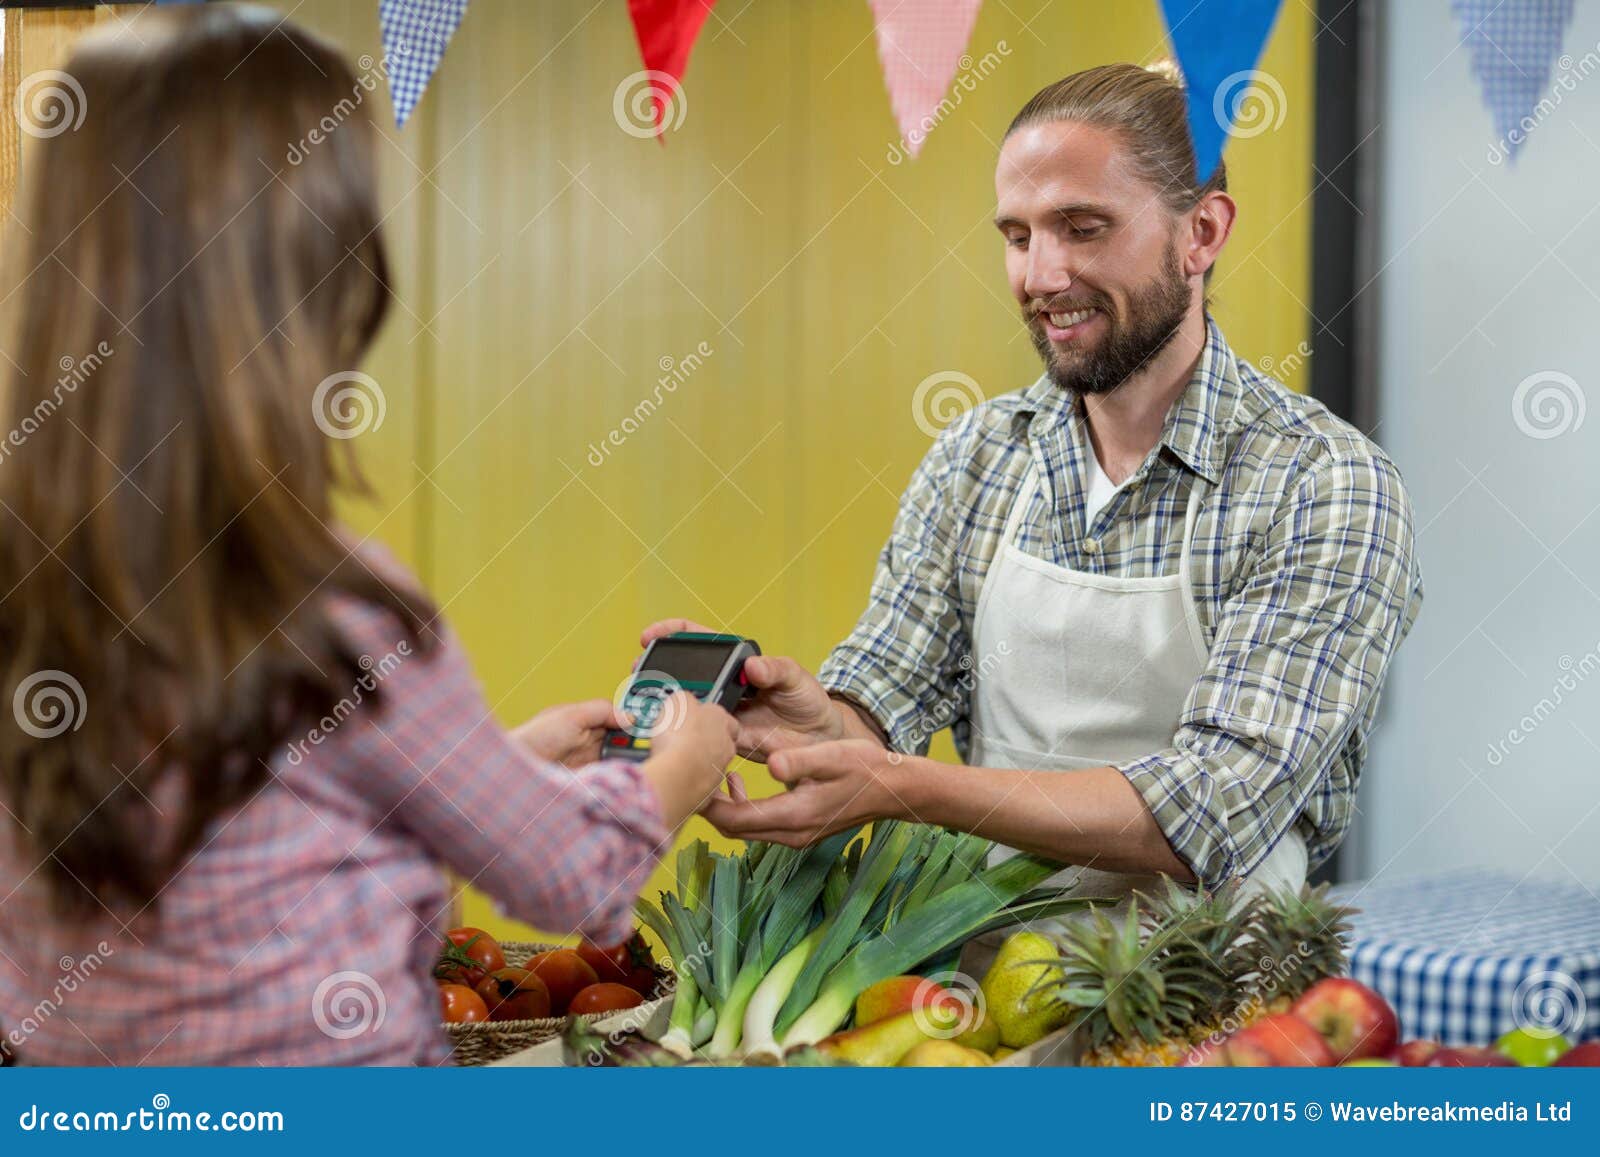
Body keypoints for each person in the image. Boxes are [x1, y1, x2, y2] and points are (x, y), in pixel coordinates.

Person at [0, 7, 734, 1066]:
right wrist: (681, 759)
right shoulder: (326, 607)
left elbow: (225, 835)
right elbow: (573, 876)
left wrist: (484, 770)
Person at [647, 63, 1423, 917]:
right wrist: (818, 728)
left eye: (1082, 228)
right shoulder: (979, 455)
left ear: (1201, 232)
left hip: (1216, 1009)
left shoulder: (1322, 483)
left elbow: (1209, 807)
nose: (1041, 276)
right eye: (1018, 237)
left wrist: (904, 786)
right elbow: (891, 691)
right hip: (977, 997)